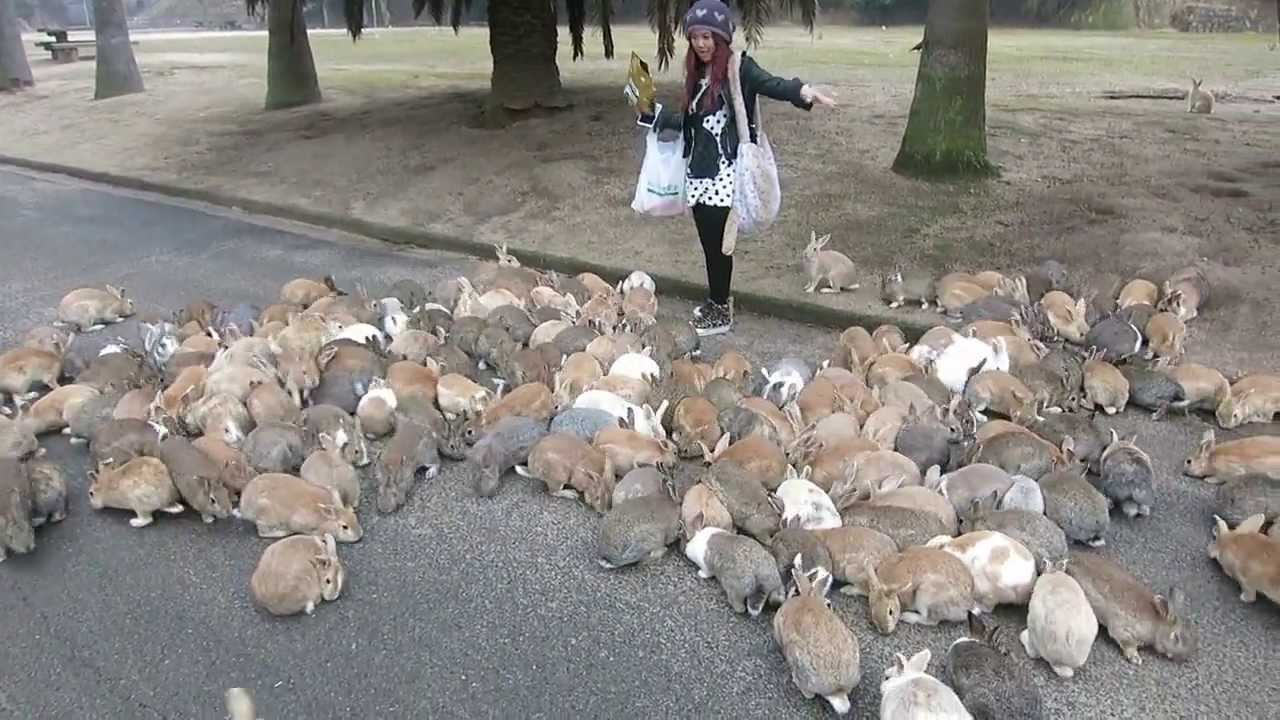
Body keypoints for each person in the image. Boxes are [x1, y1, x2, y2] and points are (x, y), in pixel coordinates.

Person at [638, 0, 836, 336]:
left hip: (724, 178)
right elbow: (690, 123)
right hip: (698, 176)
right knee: (709, 245)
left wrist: (803, 91)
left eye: (708, 36)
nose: (701, 43)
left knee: (718, 247)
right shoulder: (697, 75)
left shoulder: (737, 67)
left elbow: (770, 83)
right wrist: (651, 113)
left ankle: (720, 309)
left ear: (722, 37)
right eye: (695, 36)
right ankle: (717, 300)